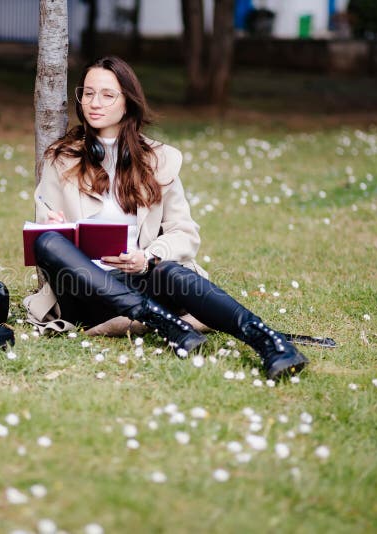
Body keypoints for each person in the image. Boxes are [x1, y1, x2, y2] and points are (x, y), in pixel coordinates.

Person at [23, 56, 308, 380]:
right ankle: (164, 322)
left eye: (106, 95)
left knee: (170, 270)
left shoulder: (160, 161)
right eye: (88, 93)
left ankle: (271, 344)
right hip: (85, 290)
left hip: (137, 278)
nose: (94, 103)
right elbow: (41, 237)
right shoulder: (62, 159)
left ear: (128, 102)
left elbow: (184, 232)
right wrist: (55, 225)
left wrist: (148, 257)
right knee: (49, 241)